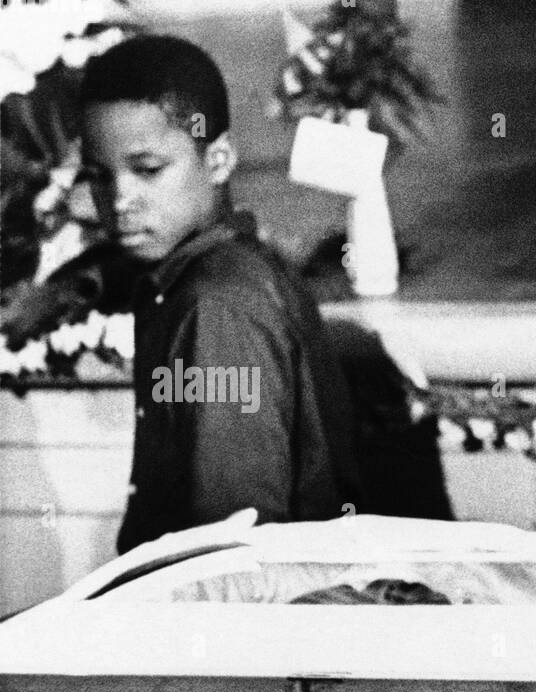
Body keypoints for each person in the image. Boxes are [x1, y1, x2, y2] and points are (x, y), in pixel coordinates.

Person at [78, 34, 363, 554]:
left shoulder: (217, 305)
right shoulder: (208, 276)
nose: (119, 200)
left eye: (147, 170)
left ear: (219, 160)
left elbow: (230, 536)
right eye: (99, 176)